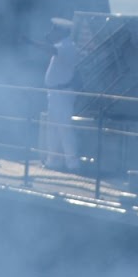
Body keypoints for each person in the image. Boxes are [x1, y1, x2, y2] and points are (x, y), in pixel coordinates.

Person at [43, 18, 81, 172]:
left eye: (55, 29)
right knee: (53, 128)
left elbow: (50, 50)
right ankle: (53, 160)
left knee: (64, 128)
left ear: (62, 31)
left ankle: (73, 163)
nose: (52, 32)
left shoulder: (67, 46)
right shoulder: (62, 45)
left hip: (62, 93)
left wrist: (30, 43)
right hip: (55, 92)